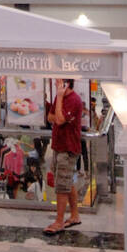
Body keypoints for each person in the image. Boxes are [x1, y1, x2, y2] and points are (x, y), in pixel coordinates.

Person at [44, 78, 84, 235]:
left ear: (66, 84)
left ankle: (59, 221)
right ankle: (74, 215)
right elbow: (51, 117)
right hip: (58, 145)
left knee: (61, 184)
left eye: (58, 81)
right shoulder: (59, 98)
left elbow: (59, 120)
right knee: (66, 180)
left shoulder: (74, 100)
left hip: (68, 148)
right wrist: (58, 107)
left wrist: (59, 98)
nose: (55, 83)